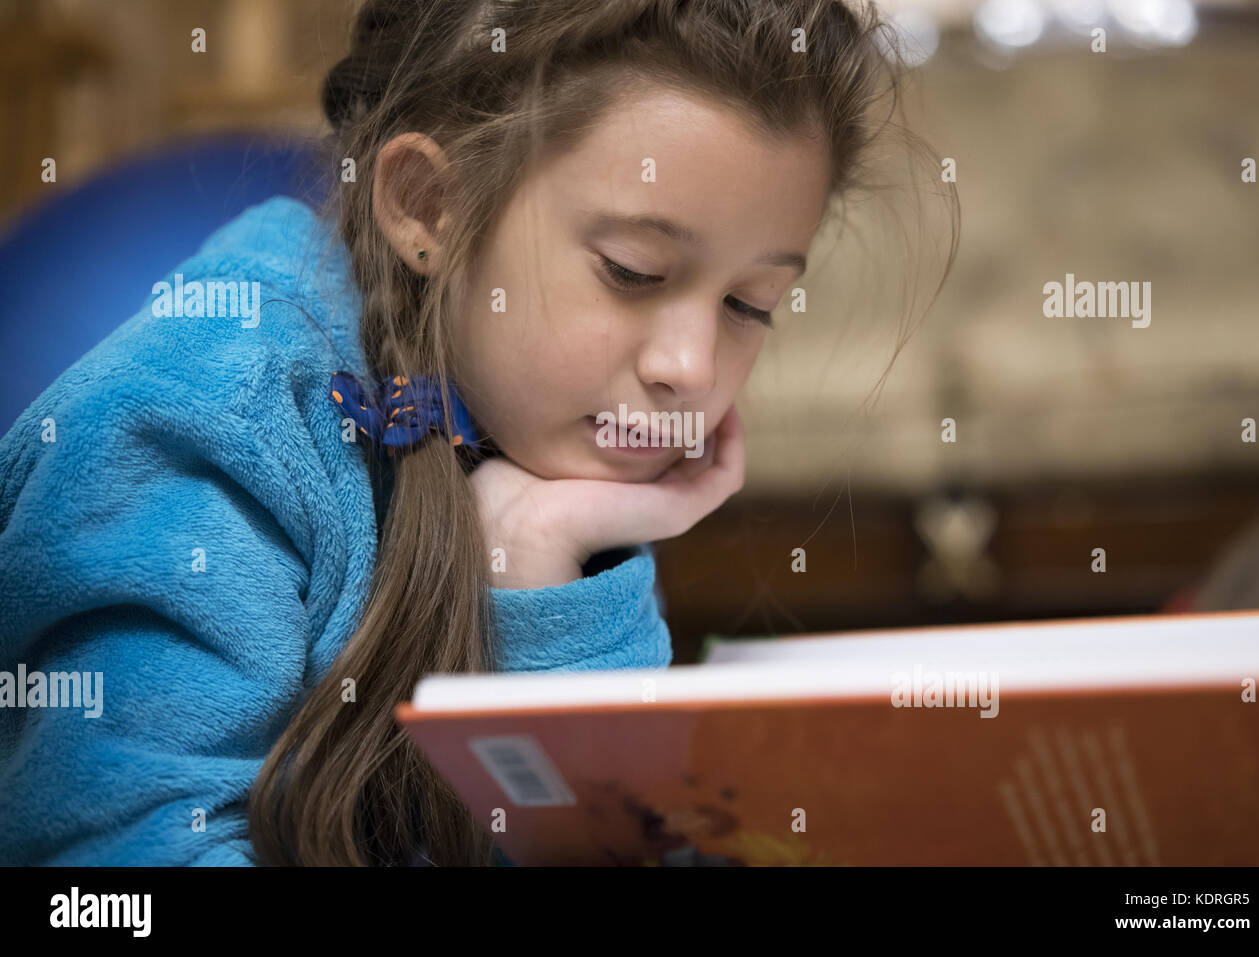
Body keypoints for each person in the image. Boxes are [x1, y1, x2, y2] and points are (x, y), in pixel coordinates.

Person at [0, 0, 950, 865]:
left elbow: (604, 847)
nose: (690, 367)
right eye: (632, 270)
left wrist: (536, 563)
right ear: (429, 208)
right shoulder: (199, 426)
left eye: (751, 302)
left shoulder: (544, 443)